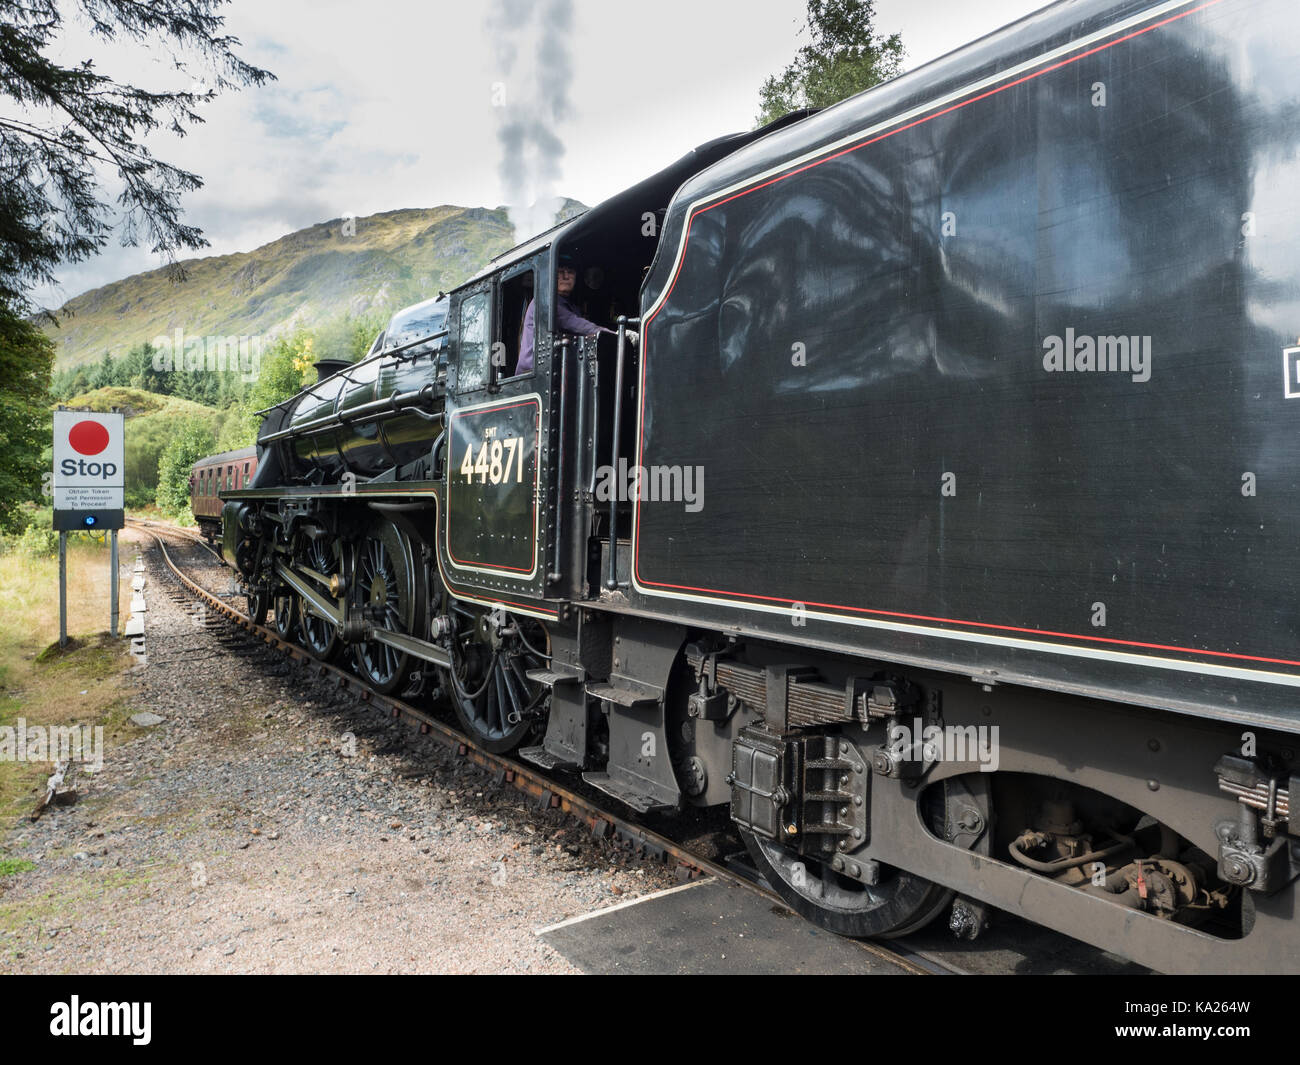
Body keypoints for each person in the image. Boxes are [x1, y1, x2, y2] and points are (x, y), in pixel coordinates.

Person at [516, 254, 635, 374]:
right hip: (532, 372)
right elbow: (579, 326)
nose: (566, 276)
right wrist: (616, 335)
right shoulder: (545, 301)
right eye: (560, 272)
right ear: (551, 275)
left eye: (570, 272)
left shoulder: (571, 307)